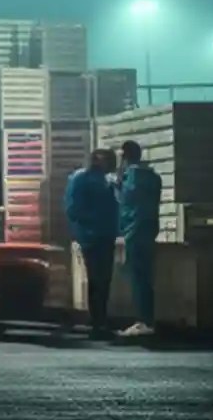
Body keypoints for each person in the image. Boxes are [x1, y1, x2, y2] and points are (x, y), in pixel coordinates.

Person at [64, 149, 120, 340]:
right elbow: (73, 209)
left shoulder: (107, 180)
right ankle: (97, 322)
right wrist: (89, 225)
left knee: (103, 279)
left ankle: (100, 320)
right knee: (97, 279)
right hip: (92, 236)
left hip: (106, 235)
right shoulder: (82, 178)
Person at [116, 140, 162, 338]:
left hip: (134, 232)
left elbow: (126, 205)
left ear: (124, 156)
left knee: (138, 277)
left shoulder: (130, 180)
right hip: (149, 229)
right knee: (145, 277)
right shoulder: (153, 177)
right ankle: (147, 319)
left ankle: (143, 320)